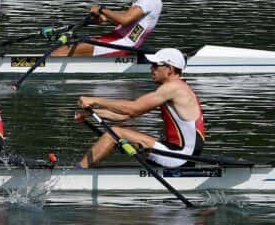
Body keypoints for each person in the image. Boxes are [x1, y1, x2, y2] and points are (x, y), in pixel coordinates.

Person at [74, 48, 204, 169]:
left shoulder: (173, 88)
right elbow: (126, 116)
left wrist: (96, 100)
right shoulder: (177, 87)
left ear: (169, 68)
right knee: (119, 135)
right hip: (179, 153)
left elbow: (133, 108)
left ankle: (77, 173)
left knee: (114, 133)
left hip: (179, 156)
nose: (151, 69)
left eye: (155, 65)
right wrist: (91, 113)